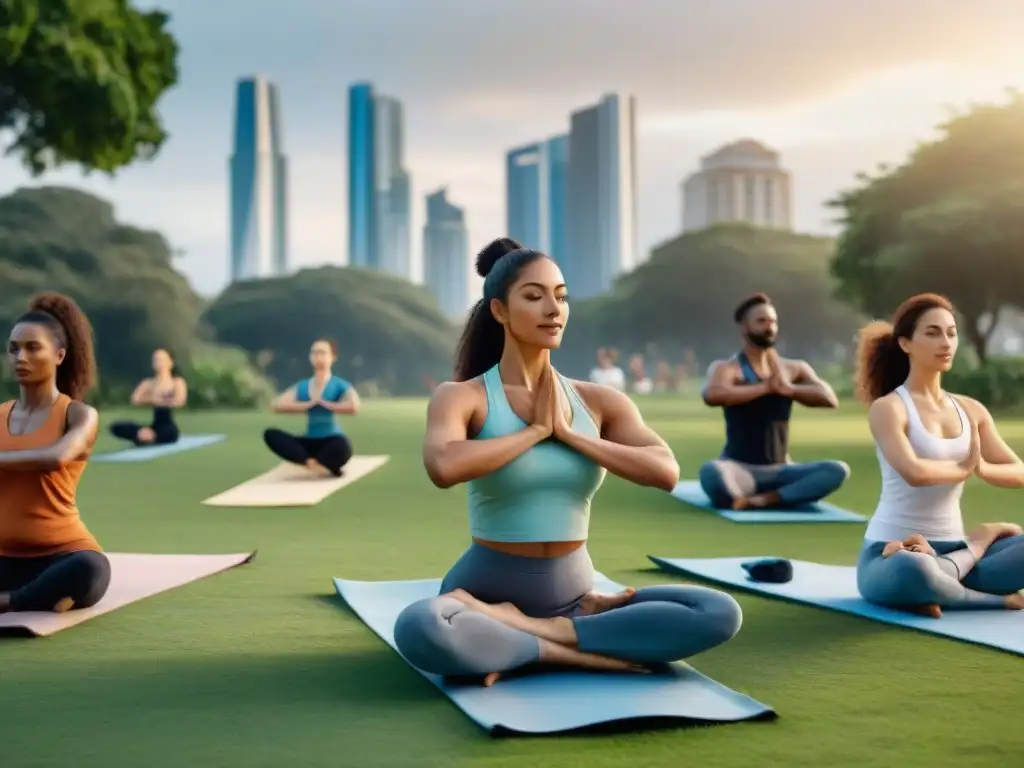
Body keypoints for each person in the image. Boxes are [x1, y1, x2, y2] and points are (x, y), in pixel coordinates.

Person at [392, 237, 743, 686]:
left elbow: (665, 471)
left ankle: (535, 635)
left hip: (576, 599)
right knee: (421, 626)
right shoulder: (463, 396)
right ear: (499, 310)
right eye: (534, 297)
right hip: (481, 594)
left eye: (560, 297)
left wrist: (572, 436)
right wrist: (534, 432)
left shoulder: (597, 401)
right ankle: (572, 652)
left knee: (716, 611)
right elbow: (444, 467)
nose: (553, 310)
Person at [853, 293, 1024, 617]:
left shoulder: (971, 410)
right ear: (905, 343)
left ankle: (943, 587)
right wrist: (964, 468)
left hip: (951, 548)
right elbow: (914, 471)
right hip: (891, 555)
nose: (945, 342)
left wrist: (983, 468)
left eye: (951, 333)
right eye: (932, 333)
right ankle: (987, 591)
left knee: (929, 573)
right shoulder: (889, 408)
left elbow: (1019, 471)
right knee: (914, 569)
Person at [0, 293, 111, 614]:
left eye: (33, 348)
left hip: (62, 555)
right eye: (13, 349)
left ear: (59, 355)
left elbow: (55, 457)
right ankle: (35, 597)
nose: (21, 357)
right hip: (4, 558)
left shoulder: (78, 414)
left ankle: (11, 601)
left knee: (90, 569)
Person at [698, 293, 849, 510]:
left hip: (781, 470)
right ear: (744, 327)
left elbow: (828, 397)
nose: (769, 327)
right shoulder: (728, 368)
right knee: (711, 473)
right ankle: (776, 495)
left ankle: (764, 499)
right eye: (761, 321)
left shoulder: (793, 369)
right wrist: (765, 387)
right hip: (740, 469)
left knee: (836, 471)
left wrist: (790, 390)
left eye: (773, 322)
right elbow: (712, 395)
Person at [263, 338, 359, 477]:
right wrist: (308, 405)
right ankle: (311, 462)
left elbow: (354, 406)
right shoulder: (303, 386)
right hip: (310, 441)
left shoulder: (338, 384)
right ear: (310, 357)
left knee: (343, 447)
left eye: (322, 353)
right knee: (271, 434)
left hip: (331, 439)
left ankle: (324, 463)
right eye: (314, 353)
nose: (318, 356)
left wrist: (328, 405)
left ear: (332, 357)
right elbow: (277, 405)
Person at [109, 348, 187, 446]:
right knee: (116, 427)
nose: (158, 362)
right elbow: (135, 399)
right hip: (150, 426)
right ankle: (144, 434)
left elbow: (179, 401)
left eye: (161, 359)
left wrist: (154, 399)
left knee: (169, 431)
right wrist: (159, 399)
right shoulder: (147, 383)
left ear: (170, 363)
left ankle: (149, 437)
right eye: (155, 360)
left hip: (166, 426)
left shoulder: (177, 382)